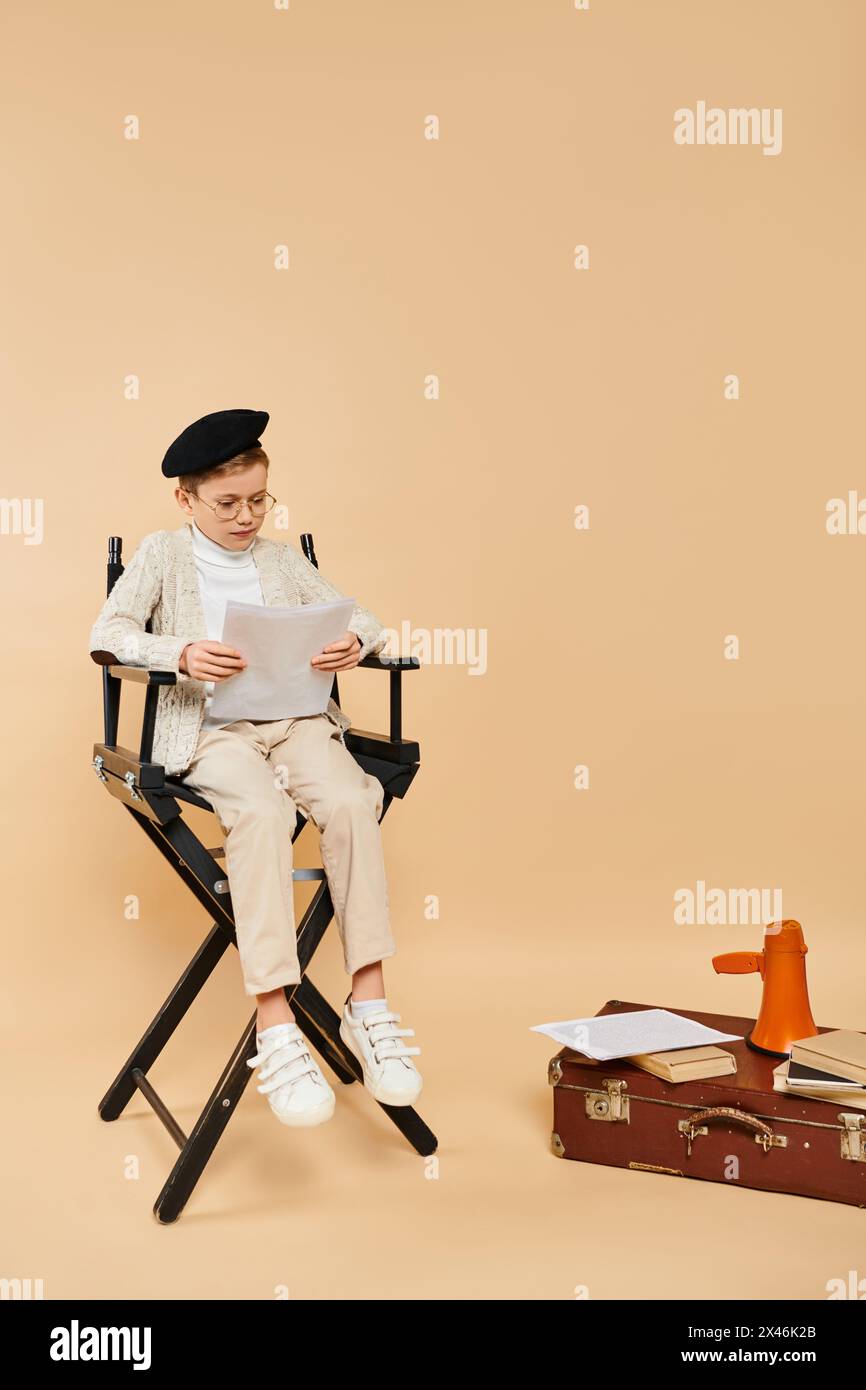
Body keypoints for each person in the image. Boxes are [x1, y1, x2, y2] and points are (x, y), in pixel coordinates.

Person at [89, 407, 422, 1129]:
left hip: (296, 721)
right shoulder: (161, 555)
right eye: (228, 503)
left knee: (350, 799)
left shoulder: (278, 559)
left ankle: (370, 1006)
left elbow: (363, 618)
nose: (247, 517)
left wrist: (351, 646)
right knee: (262, 814)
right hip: (208, 731)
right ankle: (277, 1024)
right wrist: (177, 651)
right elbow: (108, 633)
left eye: (259, 500)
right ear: (185, 499)